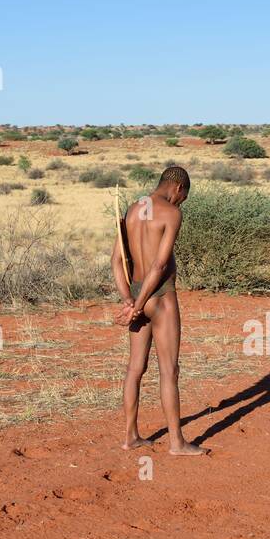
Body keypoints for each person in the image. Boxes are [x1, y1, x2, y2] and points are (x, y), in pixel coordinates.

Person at [111, 166, 206, 455]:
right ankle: (177, 443)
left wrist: (129, 299)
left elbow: (117, 261)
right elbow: (160, 266)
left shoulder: (133, 209)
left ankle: (130, 436)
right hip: (161, 297)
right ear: (177, 188)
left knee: (135, 368)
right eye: (183, 197)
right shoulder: (171, 213)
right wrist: (138, 305)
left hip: (138, 291)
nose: (181, 203)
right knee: (169, 370)